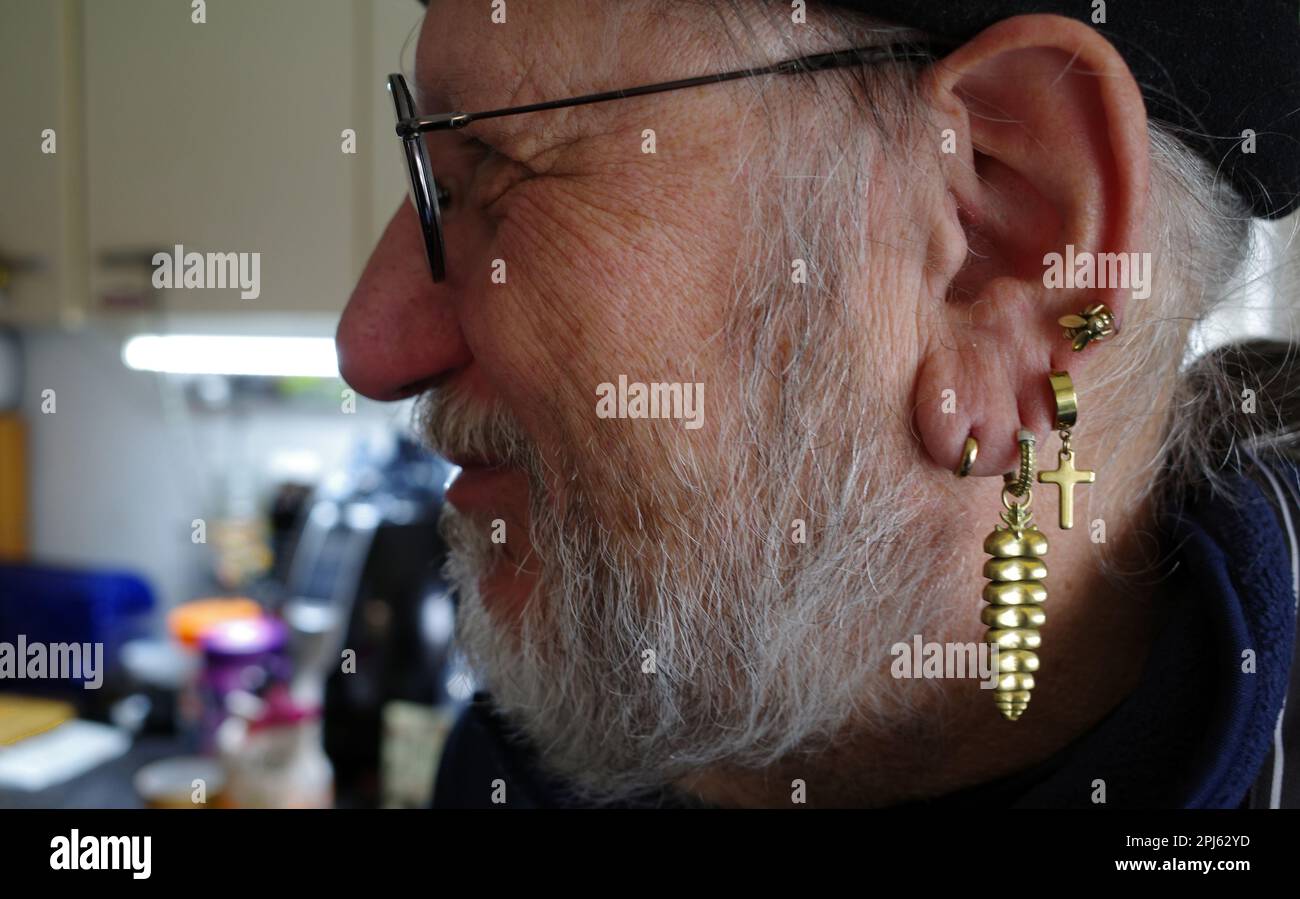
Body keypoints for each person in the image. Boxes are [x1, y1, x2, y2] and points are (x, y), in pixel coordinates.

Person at [335, 0, 1300, 808]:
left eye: (495, 172)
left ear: (1001, 247)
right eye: (430, 179)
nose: (373, 348)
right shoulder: (518, 762)